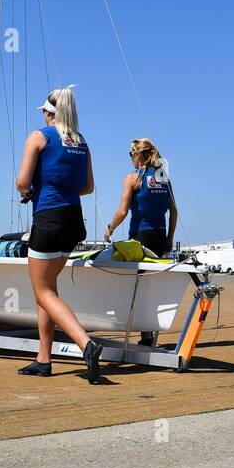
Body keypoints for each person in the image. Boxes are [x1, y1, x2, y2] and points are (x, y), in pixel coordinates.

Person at [14, 87, 103, 383]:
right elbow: (88, 187)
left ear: (50, 113)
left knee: (42, 291)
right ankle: (43, 359)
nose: (41, 115)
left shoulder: (39, 136)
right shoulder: (82, 142)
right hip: (73, 221)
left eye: (43, 111)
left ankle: (85, 344)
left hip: (49, 219)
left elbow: (22, 181)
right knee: (49, 290)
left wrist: (30, 190)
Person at [104, 137, 178, 347]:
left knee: (135, 285)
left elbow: (122, 211)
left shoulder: (133, 178)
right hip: (159, 236)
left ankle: (132, 328)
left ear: (139, 155)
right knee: (149, 285)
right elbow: (173, 212)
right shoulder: (164, 179)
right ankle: (147, 335)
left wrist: (109, 229)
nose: (130, 159)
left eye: (131, 155)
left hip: (140, 236)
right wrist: (169, 239)